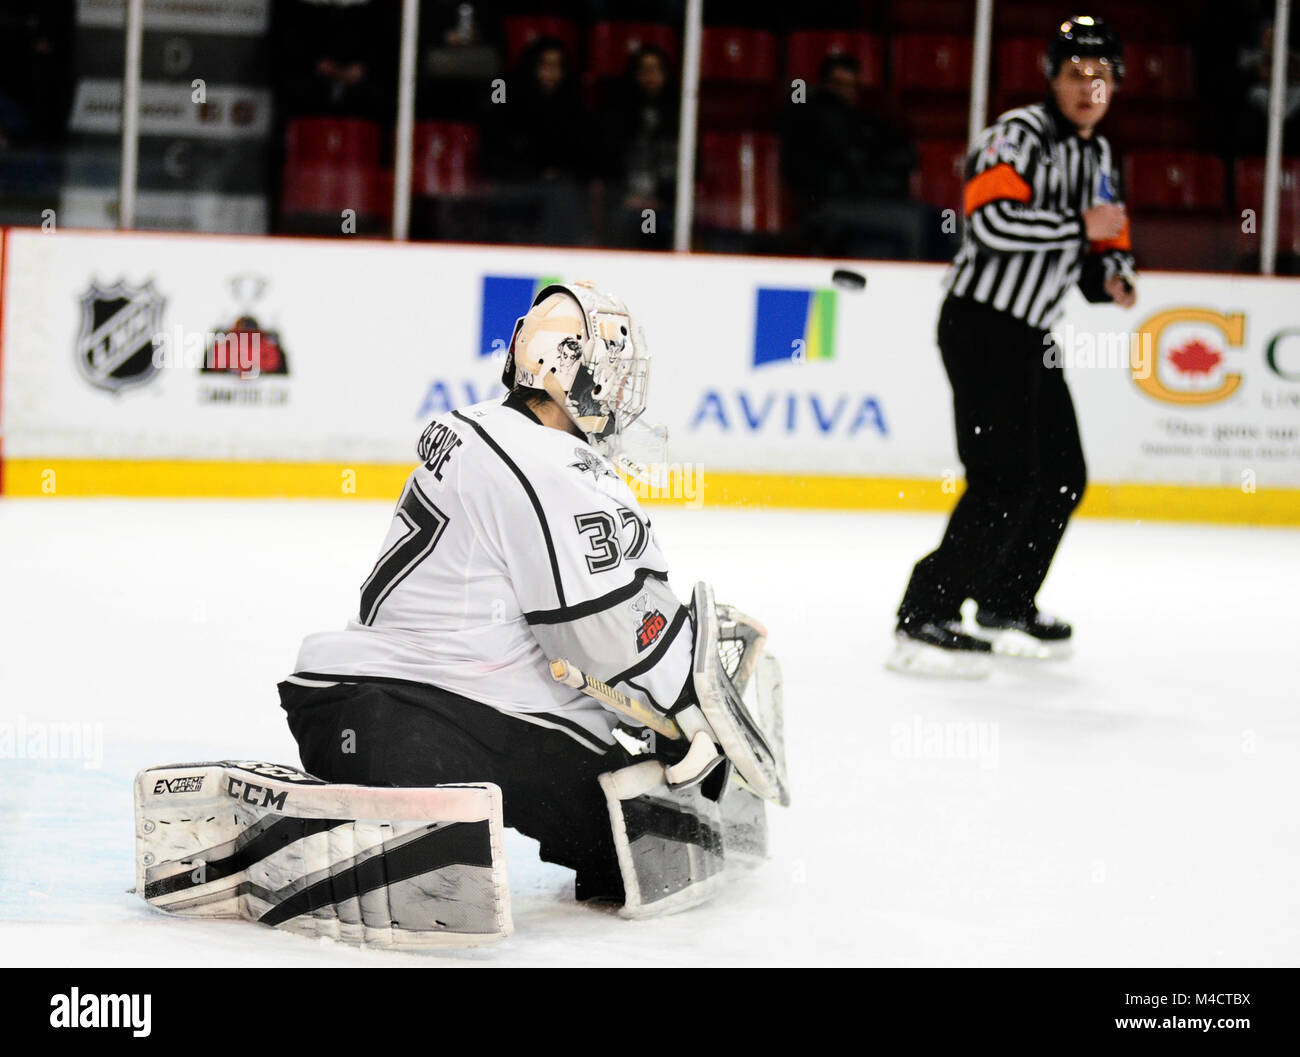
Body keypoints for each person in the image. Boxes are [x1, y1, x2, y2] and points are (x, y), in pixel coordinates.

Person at [278, 283, 693, 903]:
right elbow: (601, 631)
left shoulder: (486, 429)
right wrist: (683, 705)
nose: (618, 391)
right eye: (610, 369)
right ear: (565, 369)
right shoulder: (548, 464)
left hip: (345, 707)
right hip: (434, 723)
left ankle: (364, 815)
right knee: (641, 835)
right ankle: (403, 832)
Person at [888, 16, 1137, 678]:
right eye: (1077, 74)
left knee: (1063, 475)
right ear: (1052, 79)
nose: (1090, 87)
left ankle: (1003, 599)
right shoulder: (1015, 134)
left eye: (1102, 76)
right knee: (1003, 475)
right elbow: (990, 220)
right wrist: (1081, 226)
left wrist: (1115, 275)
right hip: (981, 322)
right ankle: (924, 614)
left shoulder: (1100, 157)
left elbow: (1105, 245)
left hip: (1034, 333)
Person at [782, 53, 919, 258]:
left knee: (924, 218)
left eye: (851, 85)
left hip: (864, 202)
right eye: (838, 84)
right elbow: (813, 171)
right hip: (825, 206)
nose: (844, 91)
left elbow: (906, 154)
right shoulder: (809, 117)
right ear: (825, 84)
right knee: (914, 221)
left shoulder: (864, 121)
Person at [598, 45, 679, 249]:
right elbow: (608, 163)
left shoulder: (680, 116)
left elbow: (688, 166)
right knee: (634, 222)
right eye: (645, 70)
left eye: (657, 70)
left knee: (658, 225)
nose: (651, 77)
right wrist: (627, 196)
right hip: (628, 204)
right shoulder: (617, 116)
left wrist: (662, 197)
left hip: (667, 205)